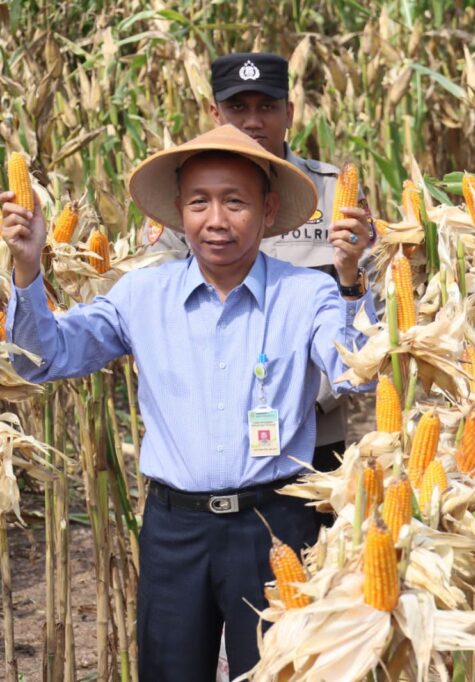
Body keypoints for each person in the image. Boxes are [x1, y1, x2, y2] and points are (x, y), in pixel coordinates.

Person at [1, 124, 377, 680]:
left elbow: (356, 376)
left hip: (276, 524)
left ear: (269, 210)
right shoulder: (140, 295)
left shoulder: (308, 292)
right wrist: (28, 267)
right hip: (175, 531)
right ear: (179, 211)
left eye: (235, 202)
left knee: (280, 672)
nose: (216, 220)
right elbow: (44, 357)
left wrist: (349, 278)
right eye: (199, 202)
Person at [152, 52, 369, 473]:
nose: (253, 122)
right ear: (215, 114)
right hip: (210, 431)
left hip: (315, 427)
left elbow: (366, 301)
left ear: (289, 113)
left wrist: (303, 394)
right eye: (238, 107)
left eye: (267, 107)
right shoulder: (184, 194)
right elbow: (160, 308)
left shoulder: (332, 193)